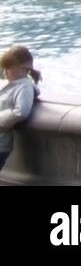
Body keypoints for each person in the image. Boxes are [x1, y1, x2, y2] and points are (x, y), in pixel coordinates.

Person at [0, 46, 41, 174]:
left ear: (23, 68)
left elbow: (21, 111)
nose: (5, 72)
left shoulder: (25, 87)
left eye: (8, 68)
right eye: (4, 68)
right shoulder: (13, 85)